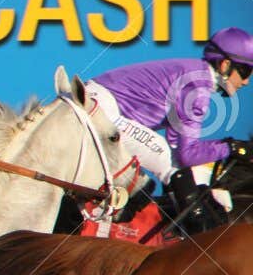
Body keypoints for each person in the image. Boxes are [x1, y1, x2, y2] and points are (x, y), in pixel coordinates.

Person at [87, 27, 253, 192]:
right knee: (164, 160)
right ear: (225, 65)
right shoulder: (198, 87)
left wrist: (226, 146)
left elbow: (176, 145)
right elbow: (187, 155)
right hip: (100, 108)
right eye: (245, 72)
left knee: (171, 164)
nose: (246, 82)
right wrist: (231, 148)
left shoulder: (196, 74)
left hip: (94, 101)